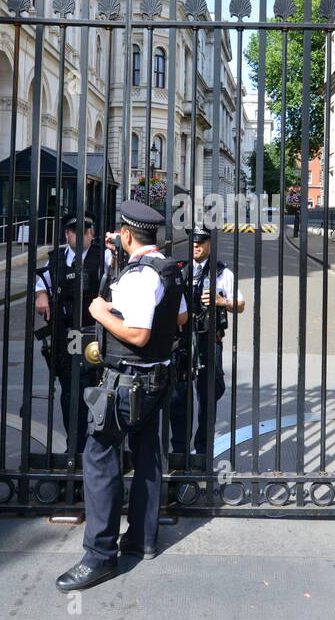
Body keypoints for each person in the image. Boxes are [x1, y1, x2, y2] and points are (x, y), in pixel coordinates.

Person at [55, 200, 187, 592]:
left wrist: (100, 312)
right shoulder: (168, 269)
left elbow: (138, 335)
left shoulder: (139, 276)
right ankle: (142, 538)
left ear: (128, 235)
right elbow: (177, 318)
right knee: (148, 457)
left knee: (98, 461)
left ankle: (98, 556)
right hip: (156, 381)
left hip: (125, 384)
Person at [170, 225, 244, 465]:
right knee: (180, 395)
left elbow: (240, 305)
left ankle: (202, 449)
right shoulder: (180, 270)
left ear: (210, 244)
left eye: (201, 242)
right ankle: (179, 450)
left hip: (208, 338)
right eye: (193, 241)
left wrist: (222, 301)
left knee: (208, 394)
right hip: (182, 339)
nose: (196, 246)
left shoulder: (222, 273)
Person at [34, 213, 105, 460]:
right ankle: (74, 450)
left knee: (99, 396)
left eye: (86, 231)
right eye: (75, 231)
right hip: (67, 340)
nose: (81, 235)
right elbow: (41, 283)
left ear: (91, 234)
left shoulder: (104, 257)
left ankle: (97, 450)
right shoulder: (56, 261)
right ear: (67, 235)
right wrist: (41, 294)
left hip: (98, 337)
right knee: (70, 397)